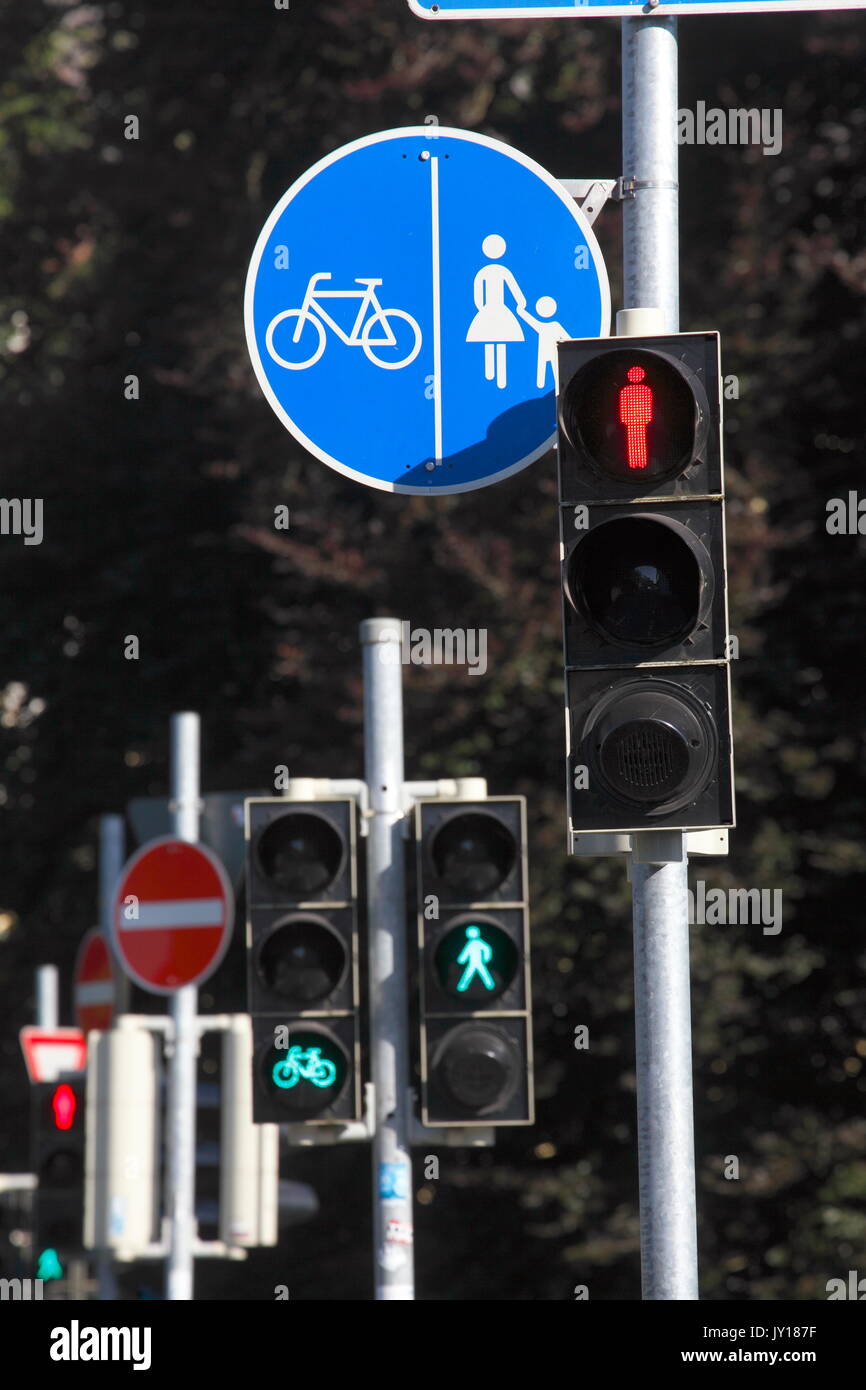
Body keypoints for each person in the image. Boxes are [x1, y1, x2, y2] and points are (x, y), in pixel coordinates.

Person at [466, 234, 527, 389]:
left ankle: (493, 376)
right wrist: (521, 303)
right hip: (496, 310)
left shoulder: (487, 272)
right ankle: (494, 377)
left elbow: (477, 295)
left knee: (493, 339)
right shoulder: (499, 271)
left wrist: (481, 308)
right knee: (496, 339)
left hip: (490, 310)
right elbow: (515, 291)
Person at [456, 924, 495, 993]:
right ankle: (462, 986)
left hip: (478, 962)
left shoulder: (478, 942)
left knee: (480, 973)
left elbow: (486, 949)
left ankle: (490, 985)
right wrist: (462, 959)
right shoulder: (471, 943)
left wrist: (486, 958)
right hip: (473, 962)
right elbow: (466, 952)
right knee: (471, 973)